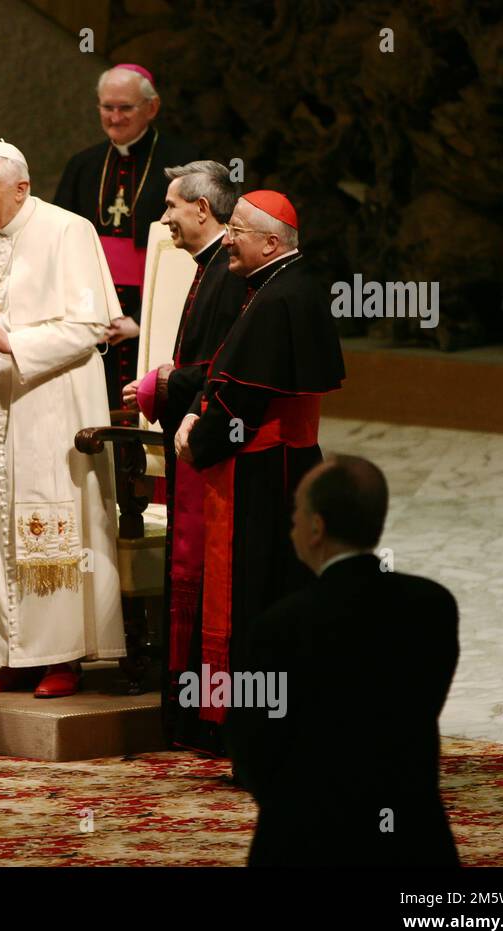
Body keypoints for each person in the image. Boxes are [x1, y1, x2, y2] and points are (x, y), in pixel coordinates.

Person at [0, 141, 124, 699]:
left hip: (51, 408)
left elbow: (89, 327)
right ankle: (11, 651)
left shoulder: (70, 232)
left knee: (52, 528)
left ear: (21, 187)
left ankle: (60, 657)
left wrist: (17, 342)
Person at [172, 190, 345, 754]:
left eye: (238, 231)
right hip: (289, 469)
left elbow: (239, 403)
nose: (228, 240)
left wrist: (197, 437)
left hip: (262, 476)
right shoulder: (286, 286)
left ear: (271, 242)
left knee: (256, 598)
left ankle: (251, 732)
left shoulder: (275, 300)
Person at [229, 456, 460, 866]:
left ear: (316, 528)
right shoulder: (433, 606)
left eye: (296, 513)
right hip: (413, 841)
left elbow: (251, 751)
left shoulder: (276, 628)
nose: (292, 525)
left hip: (305, 846)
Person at [121, 160, 247, 751]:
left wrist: (163, 384)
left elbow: (222, 370)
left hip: (216, 455)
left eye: (172, 206)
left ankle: (205, 717)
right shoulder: (208, 266)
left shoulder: (229, 270)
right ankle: (189, 712)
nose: (164, 217)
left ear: (202, 207)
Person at [54, 64, 199, 409]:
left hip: (155, 310)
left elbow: (192, 245)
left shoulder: (184, 163)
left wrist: (139, 318)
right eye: (107, 107)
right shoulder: (82, 165)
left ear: (152, 107)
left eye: (125, 108)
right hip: (92, 314)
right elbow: (59, 244)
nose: (115, 117)